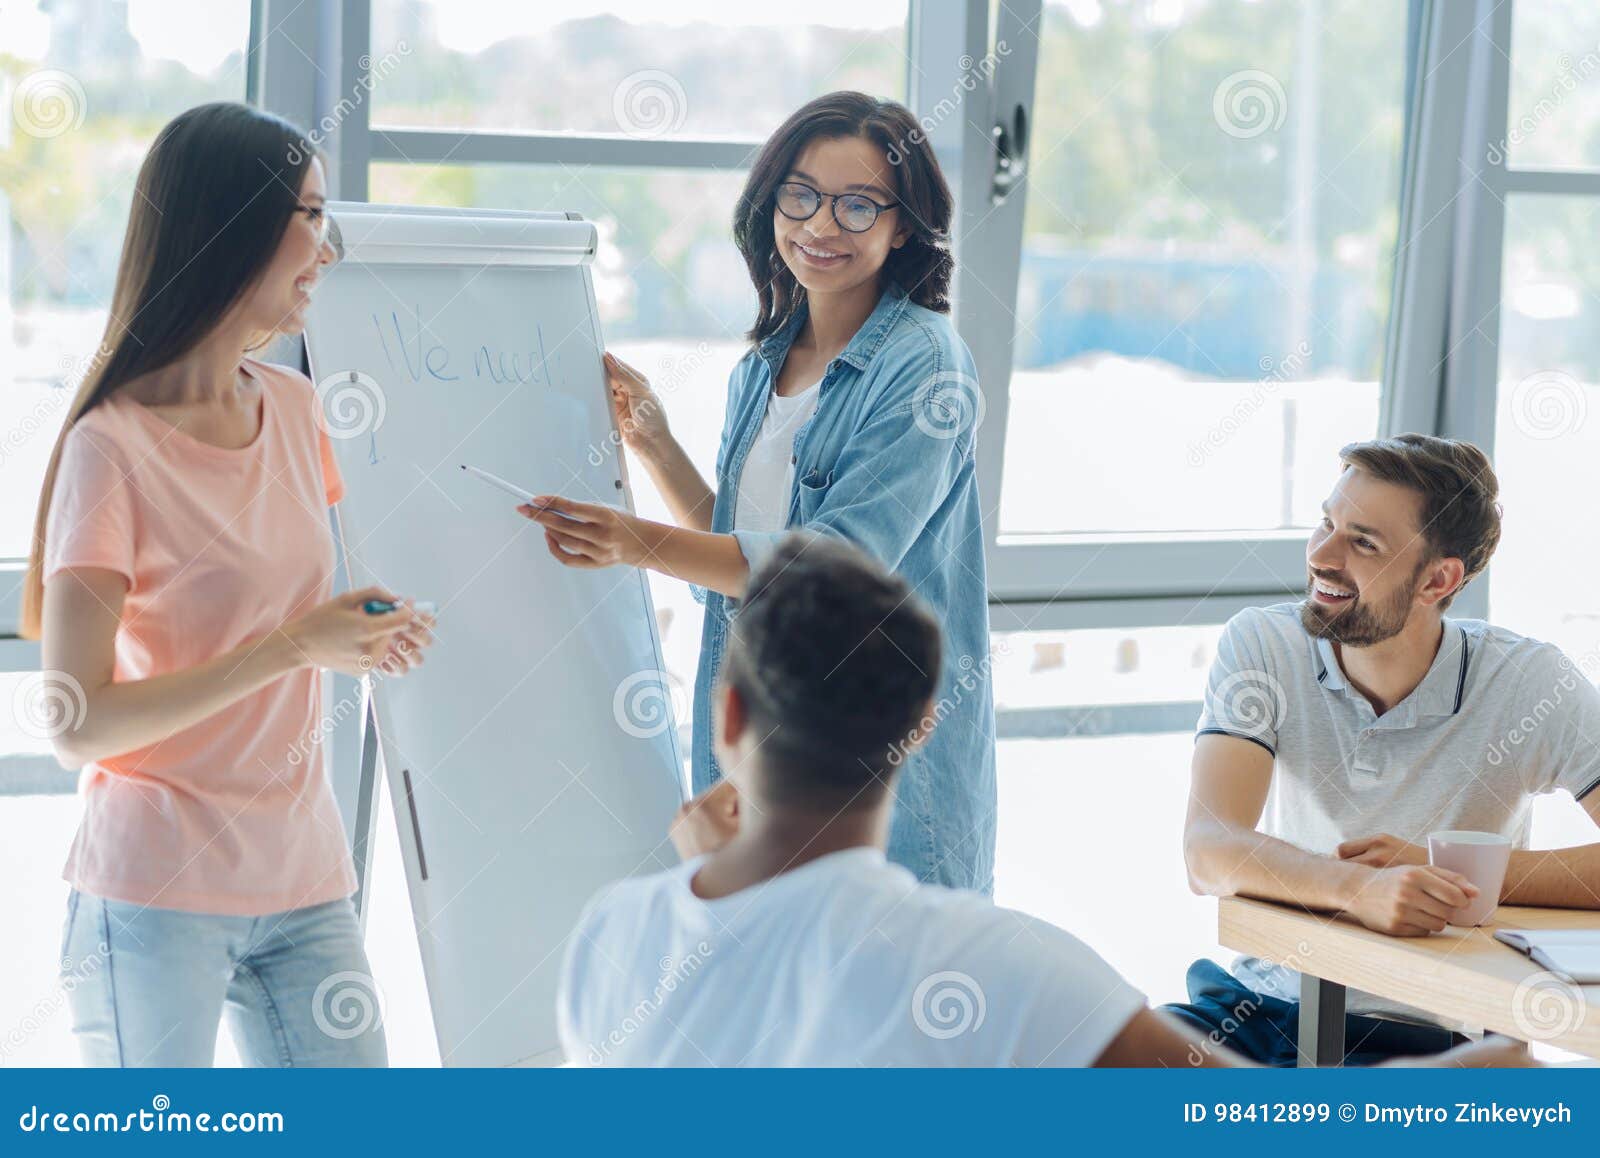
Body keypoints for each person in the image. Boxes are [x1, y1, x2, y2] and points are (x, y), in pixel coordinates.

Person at [555, 532, 1530, 1068]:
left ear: (728, 715)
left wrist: (711, 883)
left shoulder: (611, 935)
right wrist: (1469, 1079)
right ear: (922, 727)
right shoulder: (996, 964)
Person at [23, 102, 435, 1067]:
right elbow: (78, 723)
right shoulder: (108, 448)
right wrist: (295, 647)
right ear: (233, 227)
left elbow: (278, 598)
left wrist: (361, 627)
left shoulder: (295, 408)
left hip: (303, 875)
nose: (327, 251)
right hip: (156, 888)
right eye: (312, 217)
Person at [517, 91, 995, 892]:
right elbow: (741, 556)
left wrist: (634, 543)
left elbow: (831, 565)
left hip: (878, 772)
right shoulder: (763, 365)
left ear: (904, 226)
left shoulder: (925, 364)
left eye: (857, 205)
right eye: (800, 196)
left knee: (871, 964)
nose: (821, 225)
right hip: (760, 762)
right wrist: (658, 447)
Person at [1171, 434, 1600, 1065]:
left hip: (1422, 1041)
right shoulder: (1264, 644)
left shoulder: (1528, 682)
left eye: (1363, 543)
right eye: (1327, 523)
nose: (1321, 556)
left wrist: (1455, 876)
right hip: (1255, 1010)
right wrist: (1361, 888)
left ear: (1438, 579)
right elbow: (1208, 850)